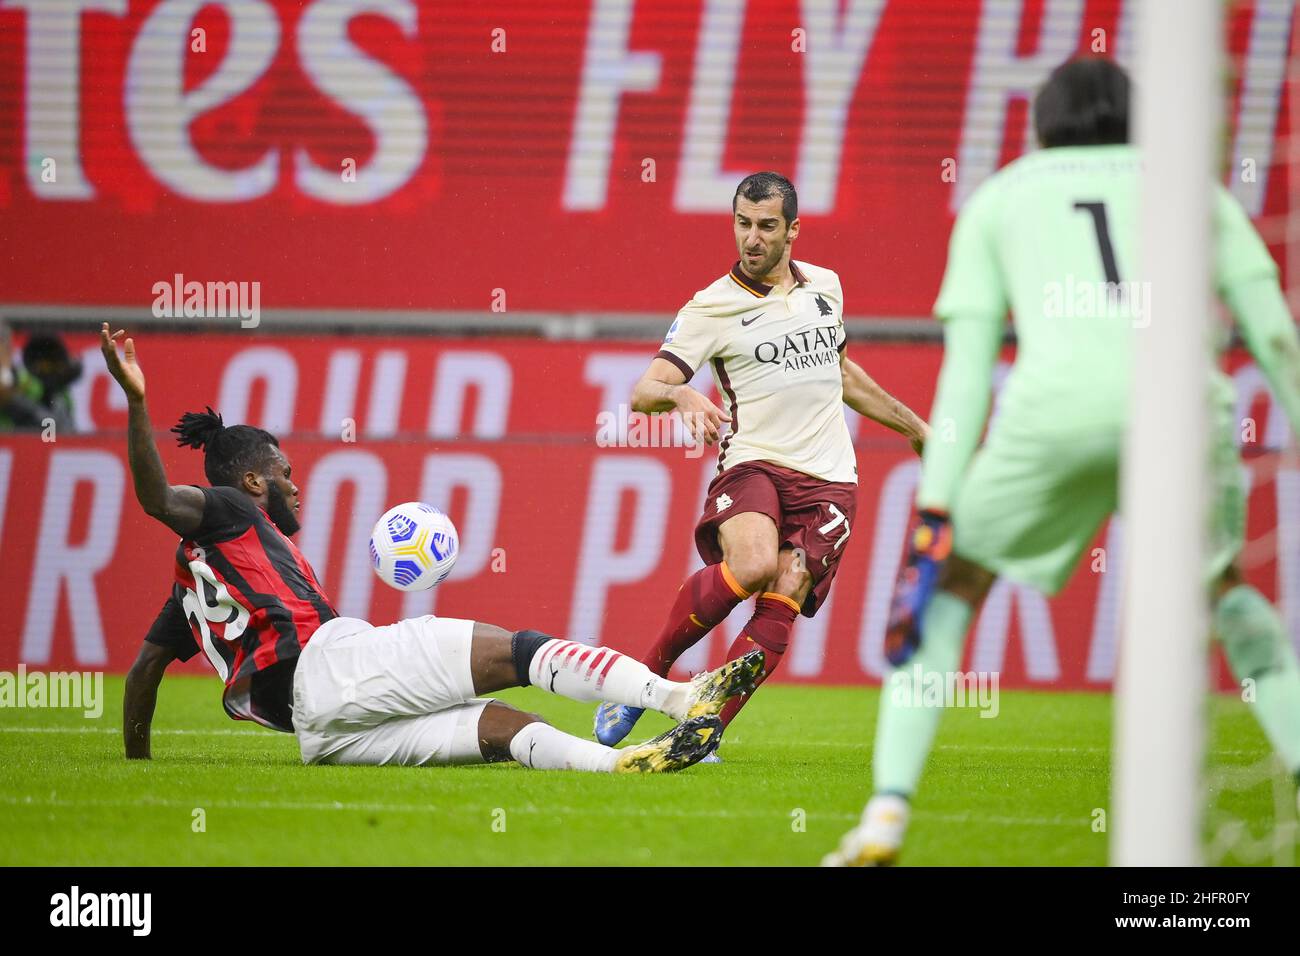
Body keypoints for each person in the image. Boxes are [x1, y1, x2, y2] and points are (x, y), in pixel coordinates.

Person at [825, 57, 1300, 866]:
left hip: (1054, 418)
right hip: (1182, 412)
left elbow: (969, 367)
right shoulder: (1191, 188)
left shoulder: (1003, 197)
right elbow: (1275, 334)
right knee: (1224, 591)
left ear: (1041, 126)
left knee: (949, 596)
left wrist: (937, 505)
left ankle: (885, 814)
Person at [102, 323, 762, 773]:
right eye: (284, 472)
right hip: (331, 668)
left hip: (318, 735)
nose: (294, 485)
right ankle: (683, 699)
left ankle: (624, 764)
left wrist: (140, 771)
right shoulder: (227, 508)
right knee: (517, 650)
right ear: (250, 481)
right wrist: (136, 402)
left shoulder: (194, 584)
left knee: (500, 727)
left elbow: (144, 673)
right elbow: (158, 498)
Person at [594, 172, 929, 753]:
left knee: (787, 589)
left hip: (831, 479)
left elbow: (841, 373)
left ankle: (704, 729)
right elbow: (644, 390)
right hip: (755, 464)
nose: (752, 239)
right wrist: (680, 393)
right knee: (749, 565)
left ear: (793, 231)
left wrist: (914, 425)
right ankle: (643, 679)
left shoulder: (826, 286)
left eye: (767, 226)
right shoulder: (710, 307)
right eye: (743, 224)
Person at [0, 323, 79, 432]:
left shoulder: (61, 395)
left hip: (42, 443)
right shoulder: (18, 379)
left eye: (53, 362)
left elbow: (59, 432)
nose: (46, 367)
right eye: (42, 364)